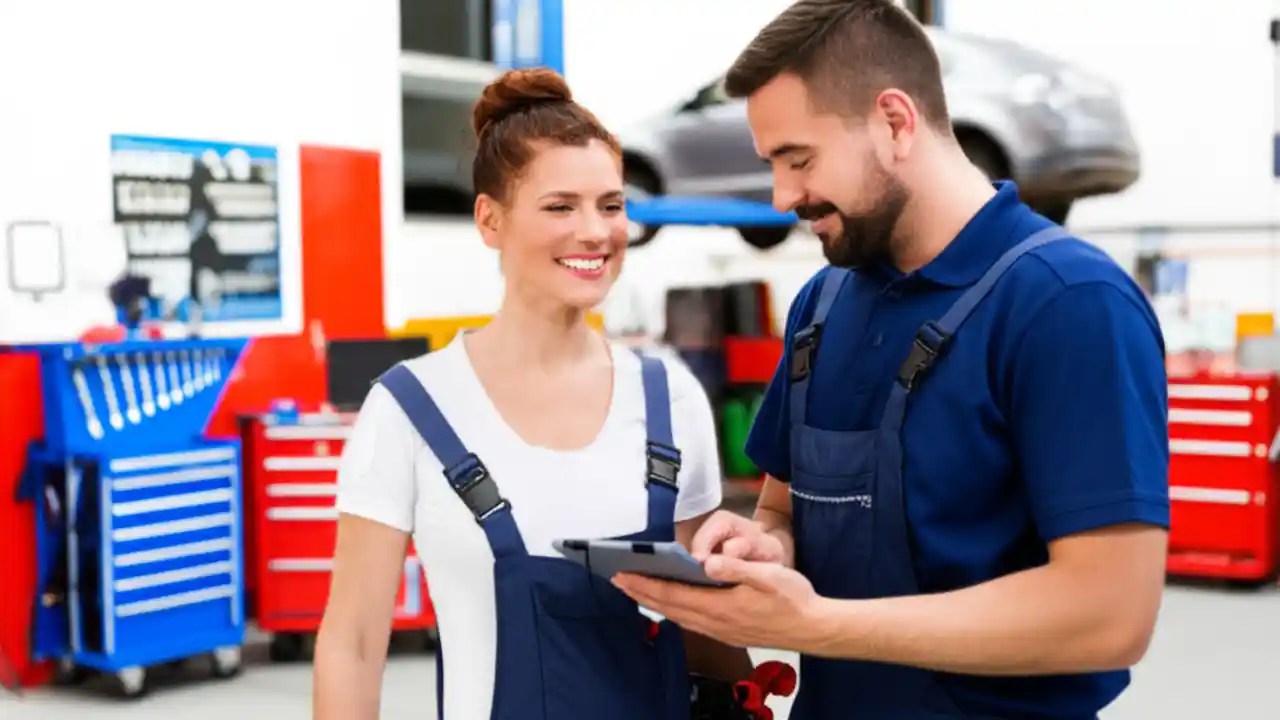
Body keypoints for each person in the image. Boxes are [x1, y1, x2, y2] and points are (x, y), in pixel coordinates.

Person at [612, 2, 1170, 719]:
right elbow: (784, 508)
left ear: (896, 122)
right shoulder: (823, 302)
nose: (783, 197)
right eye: (772, 165)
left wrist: (816, 627)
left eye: (799, 159)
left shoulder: (1068, 304)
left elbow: (1108, 617)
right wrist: (763, 546)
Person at [312, 67, 766, 719]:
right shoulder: (412, 409)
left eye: (611, 205)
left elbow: (705, 626)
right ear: (490, 220)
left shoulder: (670, 400)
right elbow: (353, 644)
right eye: (561, 206)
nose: (596, 232)